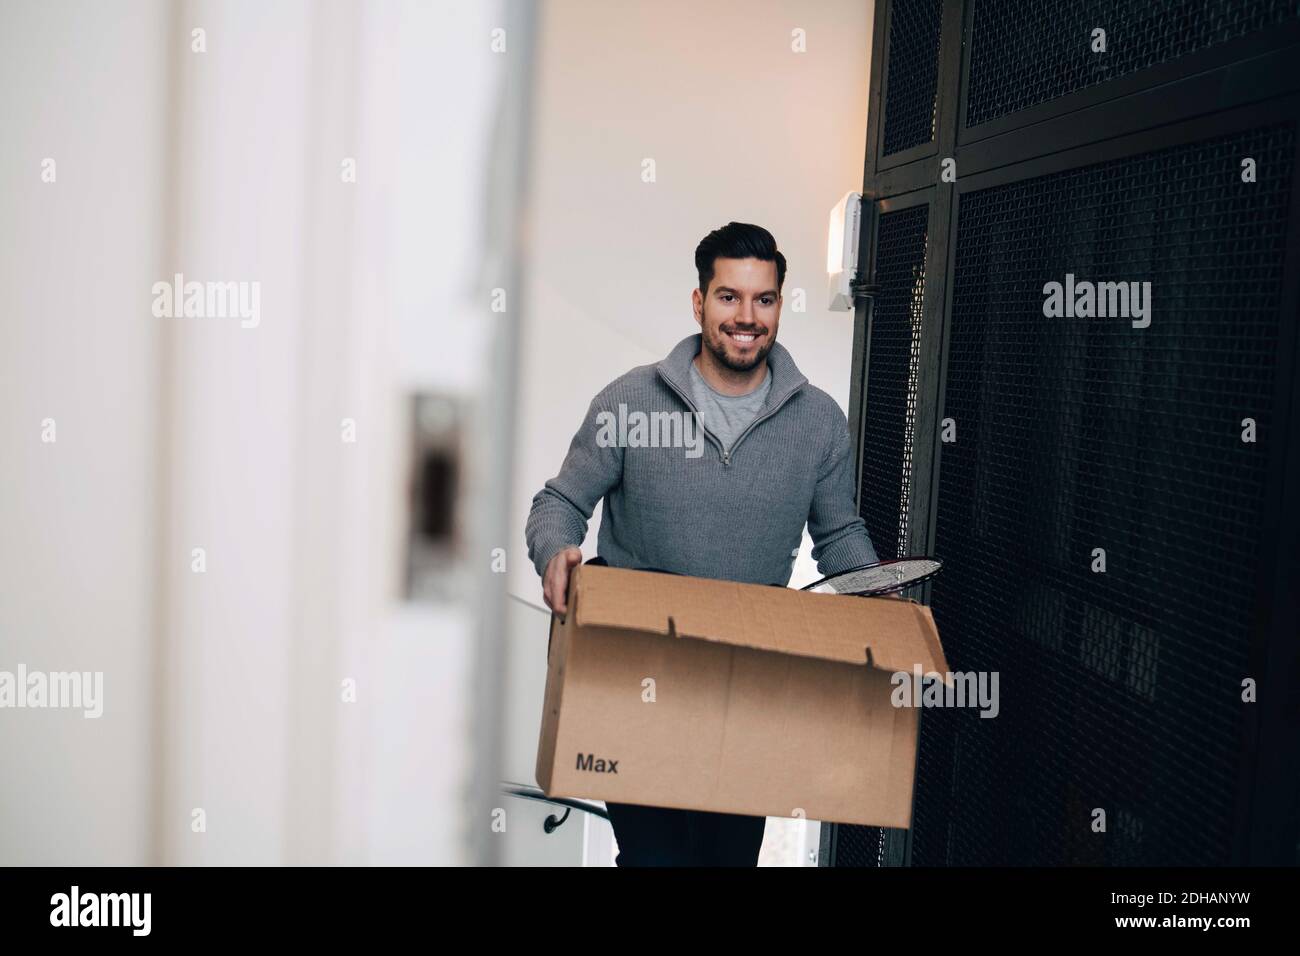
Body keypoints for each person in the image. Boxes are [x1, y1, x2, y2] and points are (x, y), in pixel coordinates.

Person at [525, 221, 879, 866]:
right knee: (654, 859)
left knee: (728, 861)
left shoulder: (820, 420)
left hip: (747, 681)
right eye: (729, 297)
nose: (747, 317)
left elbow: (840, 533)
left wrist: (878, 601)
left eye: (763, 299)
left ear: (778, 303)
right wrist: (556, 552)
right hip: (638, 670)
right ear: (699, 302)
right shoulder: (632, 398)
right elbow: (560, 501)